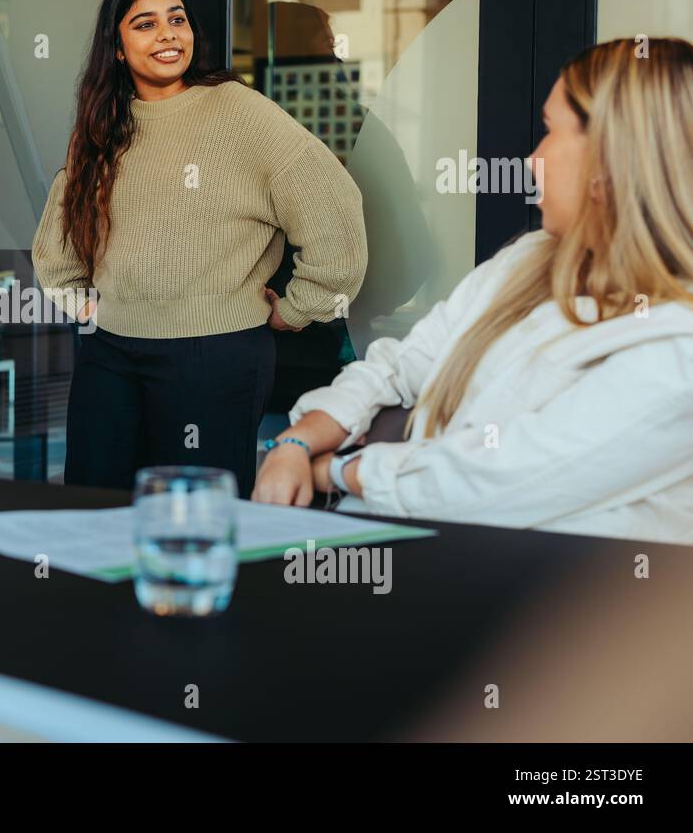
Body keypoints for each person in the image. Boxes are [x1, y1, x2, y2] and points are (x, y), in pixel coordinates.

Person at [253, 38, 693, 544]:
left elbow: (505, 477)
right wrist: (297, 442)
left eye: (551, 133)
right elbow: (401, 364)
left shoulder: (677, 343)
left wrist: (336, 472)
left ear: (611, 160)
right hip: (421, 555)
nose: (531, 160)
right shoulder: (530, 259)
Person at [32, 0, 368, 496]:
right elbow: (58, 241)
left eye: (177, 20)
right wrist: (83, 304)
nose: (167, 34)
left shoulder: (239, 111)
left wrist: (299, 307)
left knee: (198, 517)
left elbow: (332, 204)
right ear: (117, 48)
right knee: (92, 509)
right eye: (145, 24)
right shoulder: (102, 125)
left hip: (214, 355)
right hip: (109, 354)